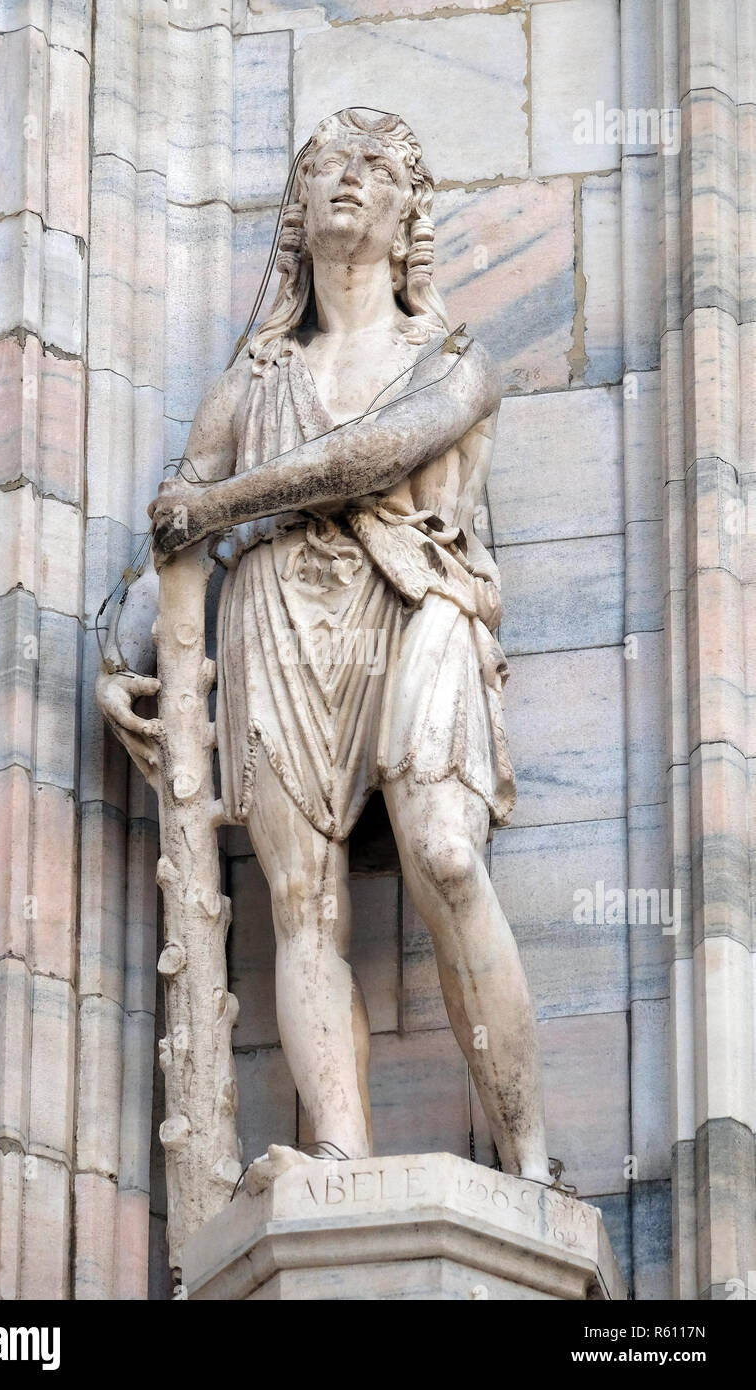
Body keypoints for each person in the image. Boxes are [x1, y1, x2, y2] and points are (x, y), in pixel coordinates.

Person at [98, 109, 551, 1183]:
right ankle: (339, 1150)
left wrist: (220, 501)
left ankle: (532, 1159)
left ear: (408, 217)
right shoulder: (250, 382)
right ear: (299, 214)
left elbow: (374, 455)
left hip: (419, 598)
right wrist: (120, 667)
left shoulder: (452, 358)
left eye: (378, 166)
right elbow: (159, 551)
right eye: (326, 167)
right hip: (276, 616)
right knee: (300, 902)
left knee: (445, 847)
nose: (349, 179)